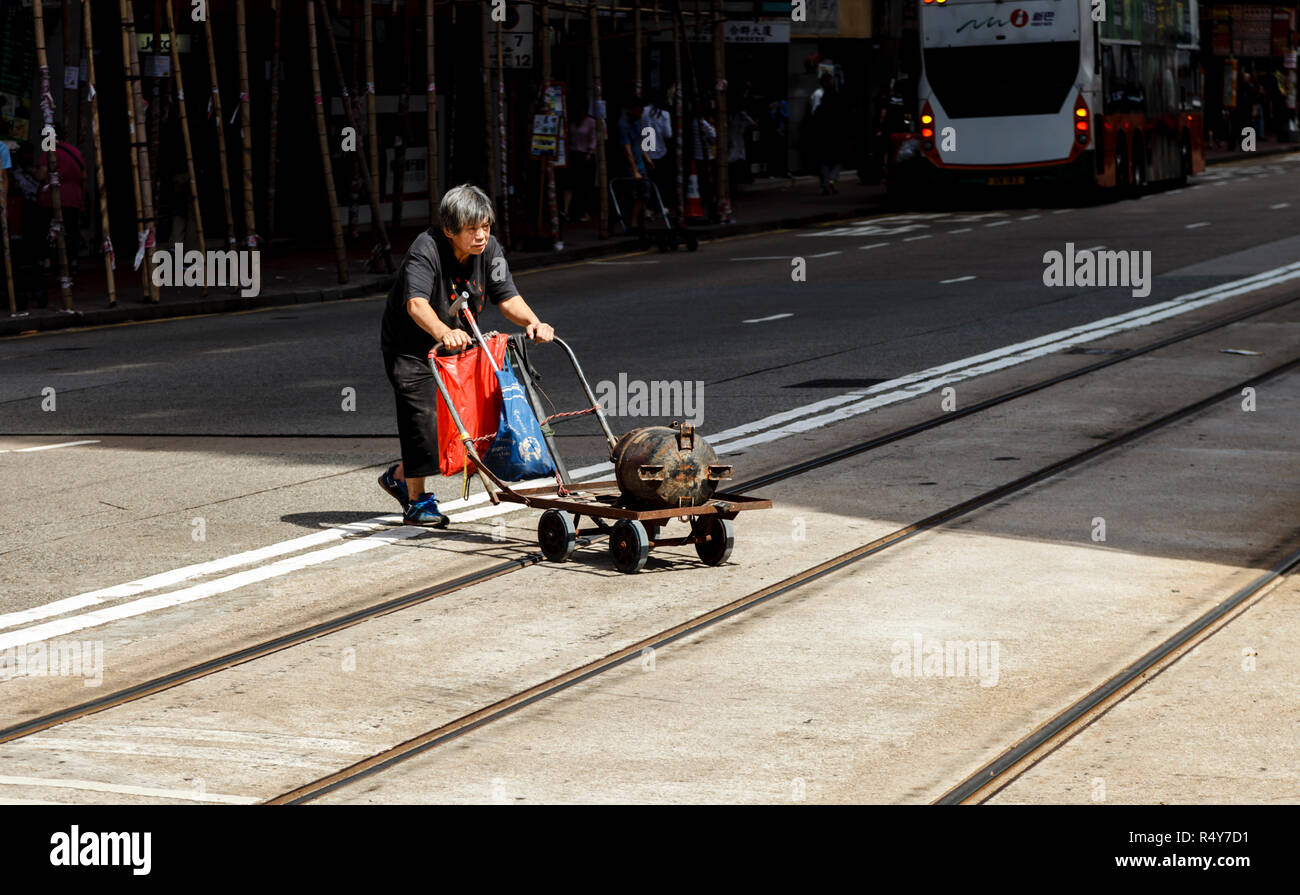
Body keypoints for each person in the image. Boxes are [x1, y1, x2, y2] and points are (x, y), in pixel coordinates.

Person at [378, 183, 555, 526]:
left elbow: (507, 297)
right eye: (472, 229)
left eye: (485, 226)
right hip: (412, 348)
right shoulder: (425, 250)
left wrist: (535, 322)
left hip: (459, 344)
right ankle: (416, 500)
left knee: (464, 421)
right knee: (424, 420)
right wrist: (443, 331)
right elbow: (416, 304)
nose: (481, 235)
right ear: (450, 230)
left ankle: (399, 475)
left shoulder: (490, 252)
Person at [33, 124, 85, 264]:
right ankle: (72, 261)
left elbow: (41, 175)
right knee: (71, 231)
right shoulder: (76, 152)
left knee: (45, 231)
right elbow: (83, 176)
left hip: (52, 199)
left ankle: (47, 261)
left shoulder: (50, 151)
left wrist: (32, 171)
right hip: (73, 198)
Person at [616, 96, 649, 231]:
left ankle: (639, 221)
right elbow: (627, 150)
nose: (640, 114)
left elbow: (639, 143)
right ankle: (632, 222)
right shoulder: (623, 124)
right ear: (630, 110)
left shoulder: (637, 123)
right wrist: (634, 170)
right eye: (638, 111)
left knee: (644, 193)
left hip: (640, 163)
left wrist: (647, 159)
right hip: (630, 166)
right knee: (632, 194)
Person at [640, 90, 674, 216]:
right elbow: (668, 134)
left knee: (647, 181)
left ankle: (648, 208)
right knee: (661, 181)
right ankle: (660, 205)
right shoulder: (664, 114)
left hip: (646, 150)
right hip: (660, 150)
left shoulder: (643, 112)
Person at [563, 107, 596, 222]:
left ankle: (584, 211)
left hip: (586, 155)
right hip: (573, 153)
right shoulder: (572, 122)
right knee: (569, 183)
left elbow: (593, 138)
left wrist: (590, 152)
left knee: (584, 184)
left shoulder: (591, 122)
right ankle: (566, 210)